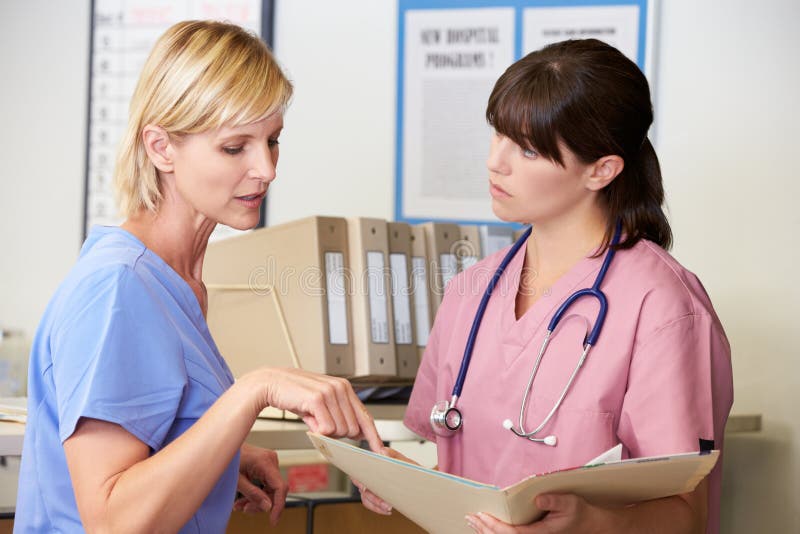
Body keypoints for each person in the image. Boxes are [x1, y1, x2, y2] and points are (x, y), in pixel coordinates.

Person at [15, 20, 383, 533]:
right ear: (161, 147)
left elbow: (149, 439)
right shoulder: (119, 288)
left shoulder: (179, 283)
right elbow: (111, 520)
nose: (267, 169)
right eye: (235, 148)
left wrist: (225, 456)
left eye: (272, 141)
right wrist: (255, 390)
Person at [359, 39, 733, 533]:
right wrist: (410, 481)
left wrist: (590, 522)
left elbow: (687, 514)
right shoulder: (472, 289)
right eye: (498, 135)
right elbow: (479, 473)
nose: (497, 162)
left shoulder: (663, 307)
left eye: (529, 149)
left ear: (601, 170)